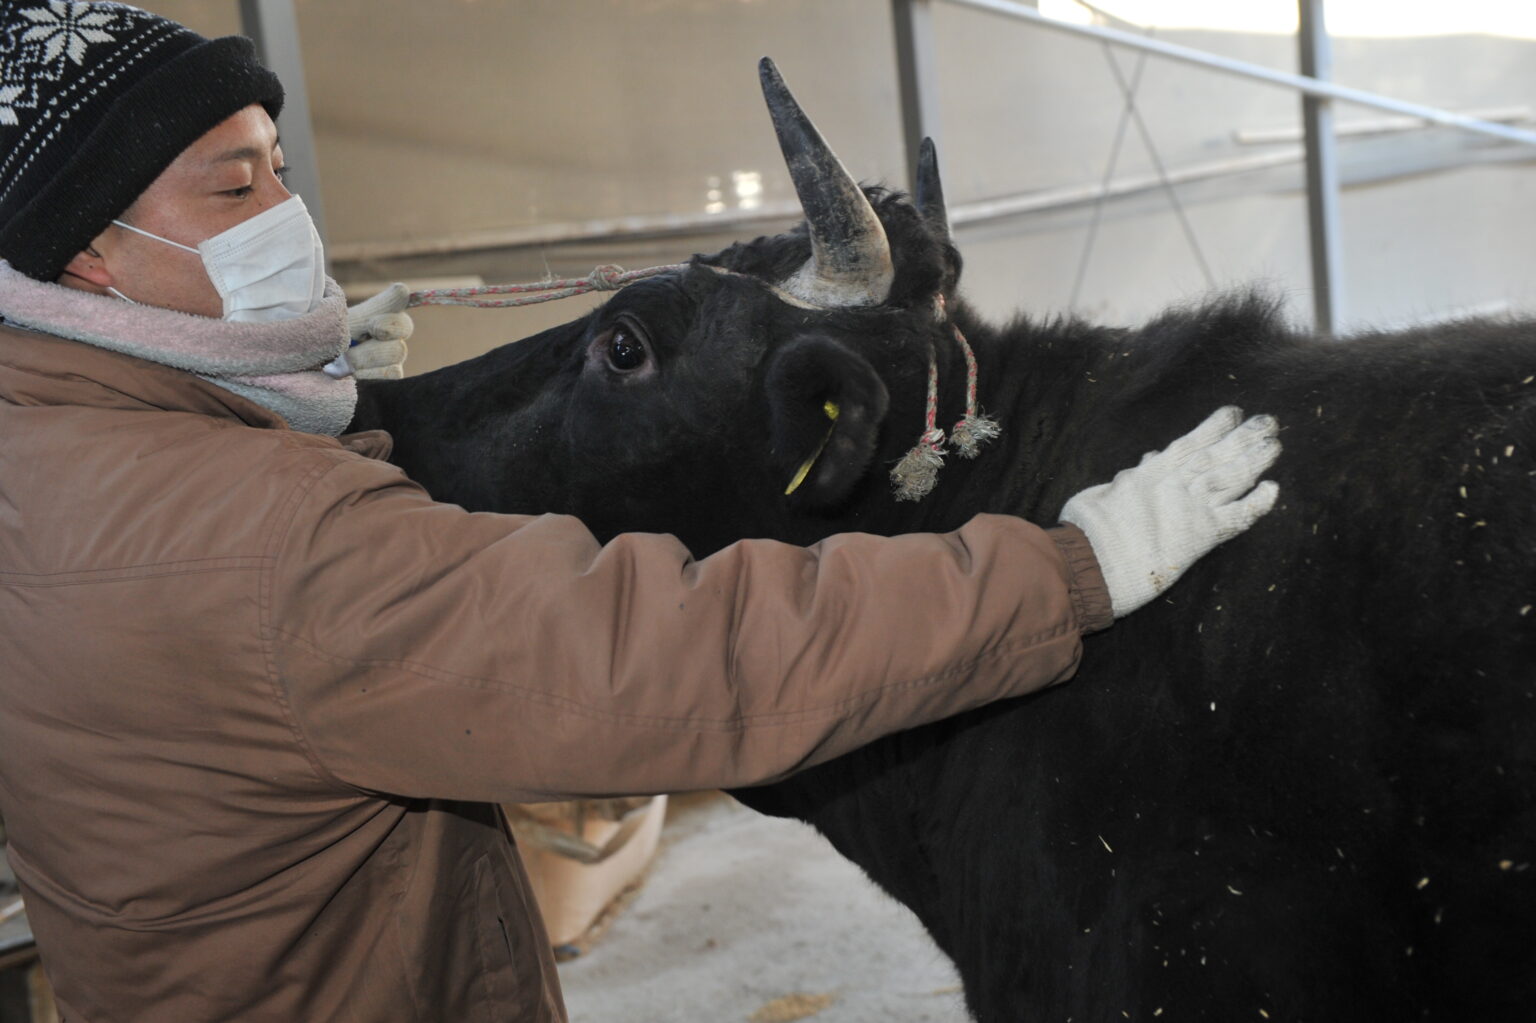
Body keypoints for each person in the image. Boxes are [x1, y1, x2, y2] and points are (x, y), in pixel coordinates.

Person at [0, 4, 1281, 1021]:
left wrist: (284, 393)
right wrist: (1066, 572)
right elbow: (657, 657)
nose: (287, 215)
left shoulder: (55, 445)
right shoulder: (267, 540)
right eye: (234, 192)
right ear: (86, 257)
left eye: (280, 171)